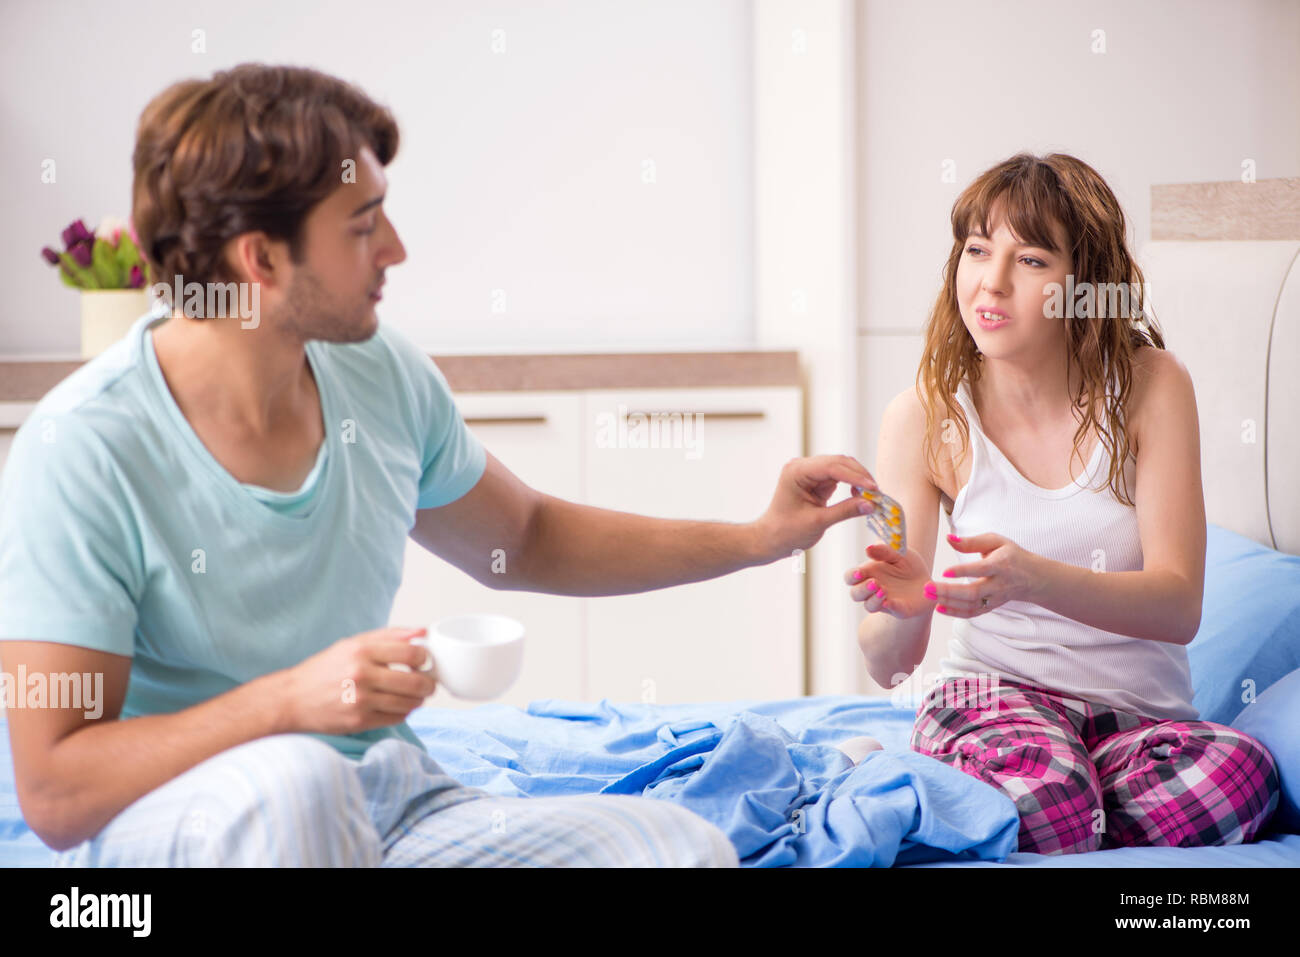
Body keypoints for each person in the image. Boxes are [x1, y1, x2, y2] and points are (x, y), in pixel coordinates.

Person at [0, 63, 881, 867]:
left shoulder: (377, 373)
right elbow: (54, 790)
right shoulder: (82, 448)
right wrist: (288, 703)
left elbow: (528, 536)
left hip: (383, 797)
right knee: (294, 791)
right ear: (260, 259)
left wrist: (759, 538)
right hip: (191, 822)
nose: (395, 249)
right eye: (361, 223)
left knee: (679, 849)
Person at [846, 152, 1279, 854]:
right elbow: (890, 662)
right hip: (993, 700)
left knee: (1240, 776)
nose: (991, 281)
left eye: (1032, 259)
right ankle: (1003, 789)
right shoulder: (924, 417)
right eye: (978, 249)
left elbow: (1178, 606)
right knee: (1052, 795)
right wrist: (905, 608)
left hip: (1136, 724)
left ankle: (995, 799)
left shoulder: (1152, 386)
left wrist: (1033, 577)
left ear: (1086, 285)